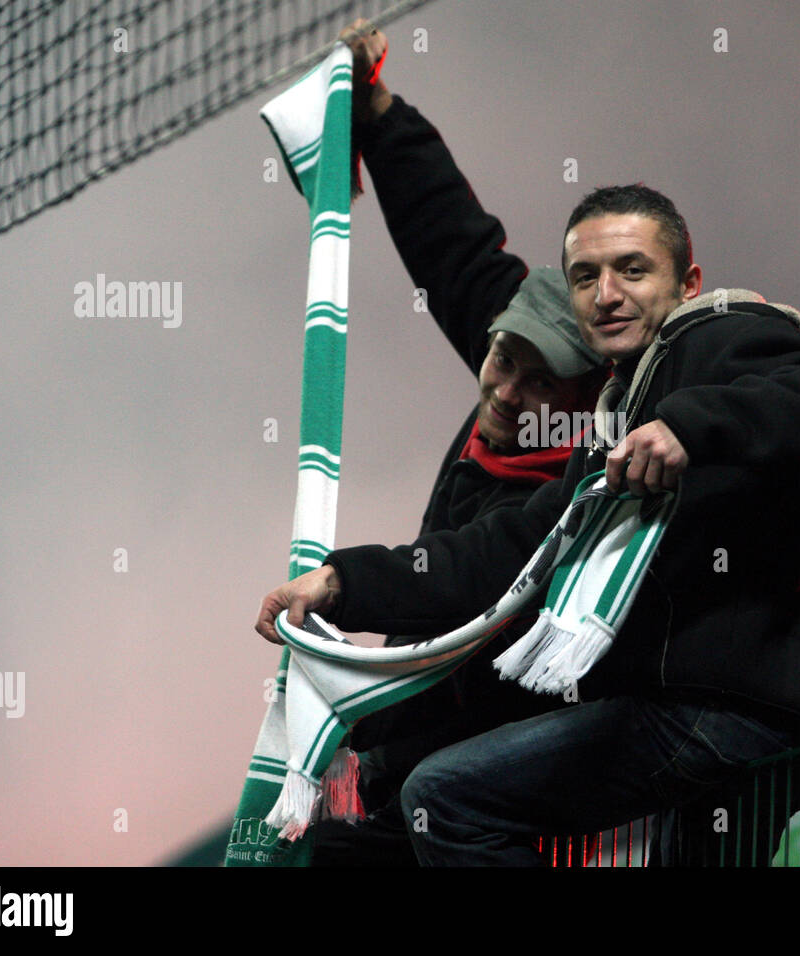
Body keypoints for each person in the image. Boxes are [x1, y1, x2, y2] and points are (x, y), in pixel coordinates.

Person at [256, 182, 800, 866]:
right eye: (586, 277)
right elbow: (504, 554)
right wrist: (344, 583)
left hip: (720, 712)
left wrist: (690, 429)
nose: (606, 293)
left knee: (447, 800)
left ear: (688, 282)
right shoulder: (613, 420)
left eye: (632, 270)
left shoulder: (717, 335)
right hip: (723, 719)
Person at [299, 20, 607, 866]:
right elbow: (453, 237)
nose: (506, 394)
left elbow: (464, 572)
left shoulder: (582, 482)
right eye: (500, 361)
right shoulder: (516, 343)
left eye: (538, 382)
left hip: (497, 762)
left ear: (580, 394)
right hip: (419, 744)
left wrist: (340, 583)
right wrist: (378, 109)